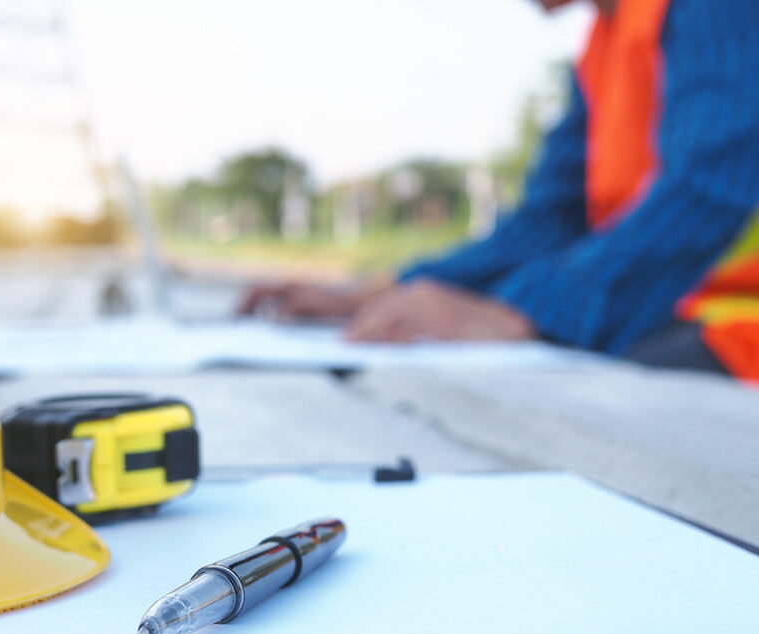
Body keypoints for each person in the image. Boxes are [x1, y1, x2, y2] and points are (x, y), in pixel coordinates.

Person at [239, 0, 759, 380]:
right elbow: (551, 220)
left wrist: (522, 315)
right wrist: (382, 294)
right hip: (683, 320)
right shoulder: (608, 40)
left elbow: (711, 185)